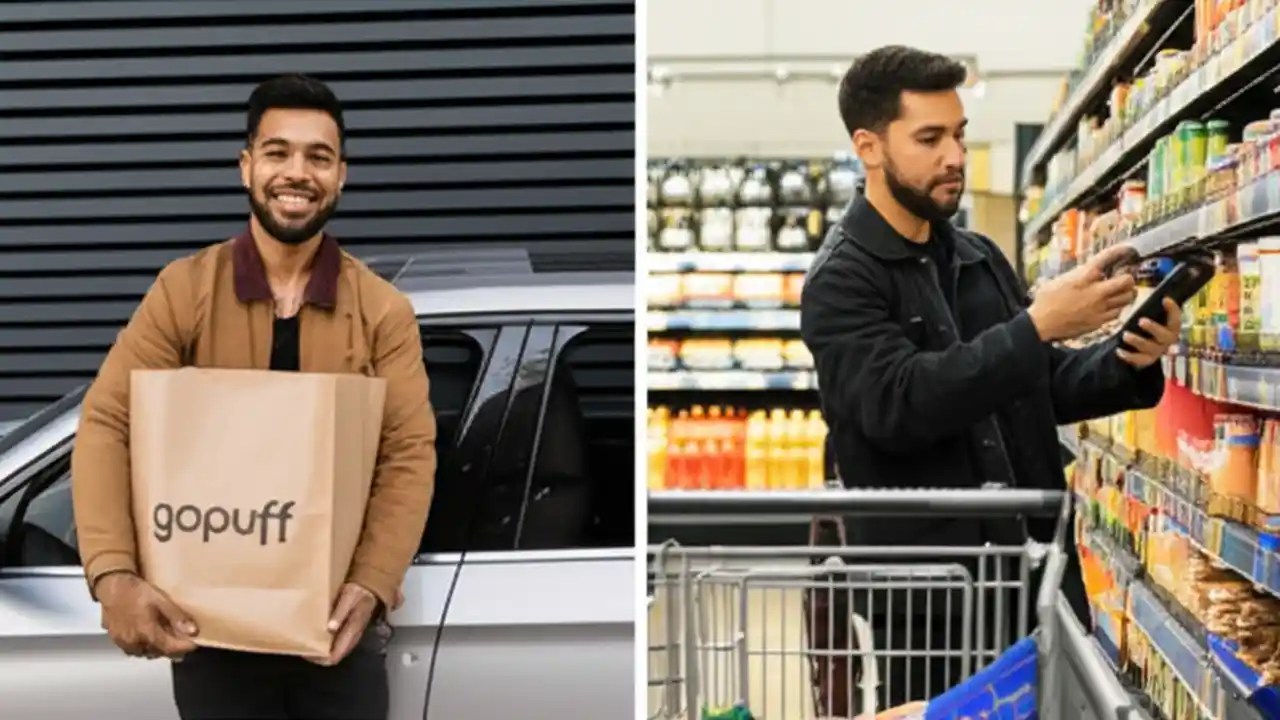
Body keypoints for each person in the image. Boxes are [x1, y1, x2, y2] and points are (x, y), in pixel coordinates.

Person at [799, 46, 1181, 713]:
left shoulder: (976, 257)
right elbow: (901, 405)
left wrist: (1128, 358)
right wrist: (1036, 326)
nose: (955, 155)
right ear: (869, 147)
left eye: (959, 134)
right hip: (936, 606)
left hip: (1033, 579)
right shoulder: (841, 280)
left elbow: (1039, 384)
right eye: (930, 139)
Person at [69, 74, 436, 720]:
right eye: (277, 152)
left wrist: (373, 580)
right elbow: (108, 421)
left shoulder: (382, 311)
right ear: (246, 167)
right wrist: (113, 573)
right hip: (210, 627)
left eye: (318, 157)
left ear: (341, 175)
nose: (297, 173)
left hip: (334, 630)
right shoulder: (185, 291)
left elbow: (407, 453)